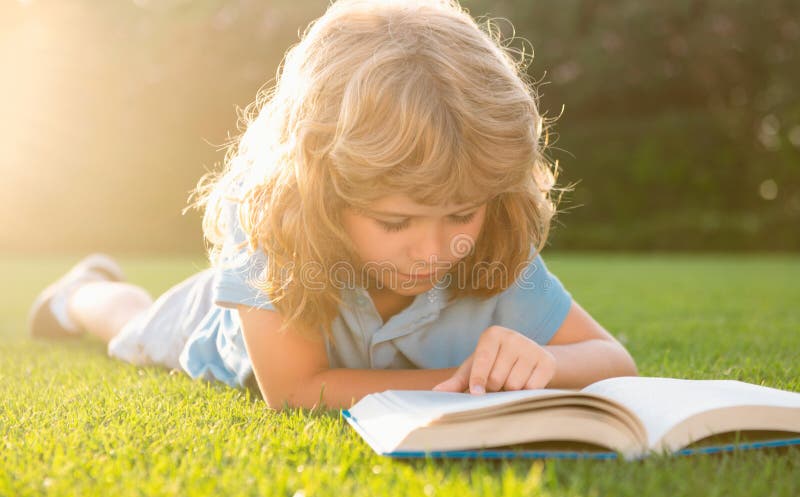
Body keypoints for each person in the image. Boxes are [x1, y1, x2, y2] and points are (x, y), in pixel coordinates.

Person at [27, 0, 637, 410]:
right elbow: (296, 388)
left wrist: (543, 367)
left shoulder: (493, 240)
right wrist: (472, 384)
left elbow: (614, 360)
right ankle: (80, 291)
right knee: (129, 326)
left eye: (461, 214)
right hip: (215, 331)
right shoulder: (271, 224)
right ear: (321, 191)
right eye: (394, 221)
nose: (434, 250)